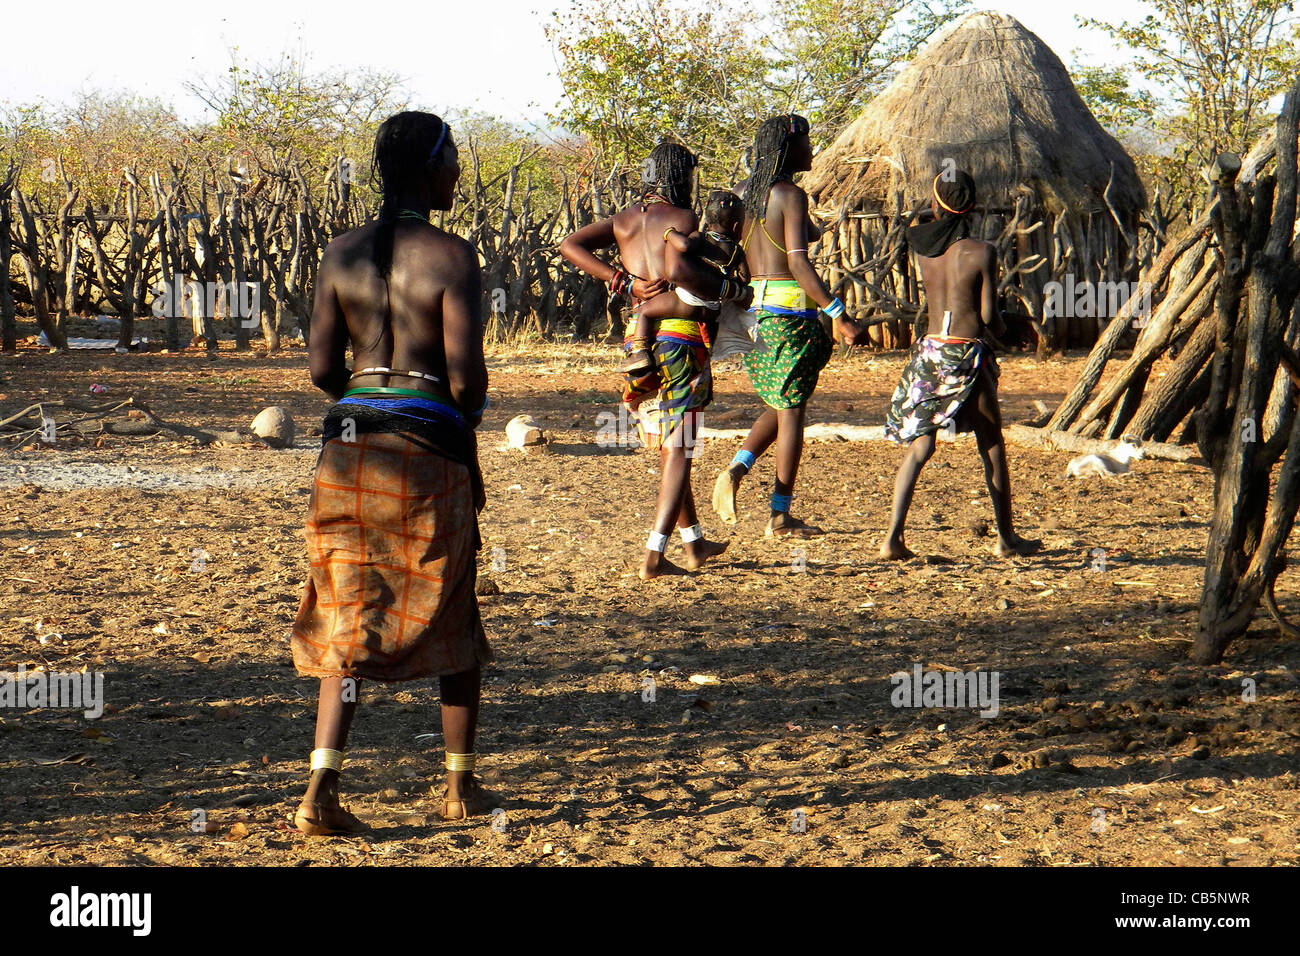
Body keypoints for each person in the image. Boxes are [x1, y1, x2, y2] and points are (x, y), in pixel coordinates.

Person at [290, 111, 493, 834]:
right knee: (453, 603)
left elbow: (321, 368)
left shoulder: (340, 253)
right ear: (430, 168)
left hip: (345, 450)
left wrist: (367, 395)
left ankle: (321, 791)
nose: (458, 174)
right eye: (453, 160)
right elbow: (466, 384)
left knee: (347, 612)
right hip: (427, 453)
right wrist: (453, 414)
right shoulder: (451, 256)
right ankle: (461, 790)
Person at [560, 143, 745, 579]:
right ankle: (654, 554)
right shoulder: (683, 219)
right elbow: (686, 274)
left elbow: (569, 244)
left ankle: (694, 542)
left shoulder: (625, 218)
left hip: (637, 341)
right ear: (680, 173)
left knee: (670, 438)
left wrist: (621, 282)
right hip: (682, 338)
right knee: (682, 443)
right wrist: (732, 290)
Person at [712, 114, 869, 537]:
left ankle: (736, 470)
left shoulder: (743, 194)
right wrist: (840, 315)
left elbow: (745, 256)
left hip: (753, 316)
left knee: (780, 403)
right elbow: (798, 263)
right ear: (787, 146)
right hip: (789, 316)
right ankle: (780, 515)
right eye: (807, 142)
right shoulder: (789, 194)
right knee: (792, 411)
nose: (812, 150)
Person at [880, 168, 1040, 559]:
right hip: (967, 356)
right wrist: (1011, 328)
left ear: (936, 205)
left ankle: (892, 539)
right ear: (972, 206)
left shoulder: (923, 251)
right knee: (992, 447)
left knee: (921, 447)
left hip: (931, 352)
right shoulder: (982, 251)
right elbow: (987, 316)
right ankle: (1007, 539)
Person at [622, 189, 750, 373]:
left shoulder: (700, 238)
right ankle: (708, 348)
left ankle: (639, 353)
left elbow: (684, 245)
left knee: (645, 311)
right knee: (711, 325)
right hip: (713, 308)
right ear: (737, 227)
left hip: (687, 301)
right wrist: (732, 285)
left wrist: (669, 233)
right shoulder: (737, 251)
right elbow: (746, 278)